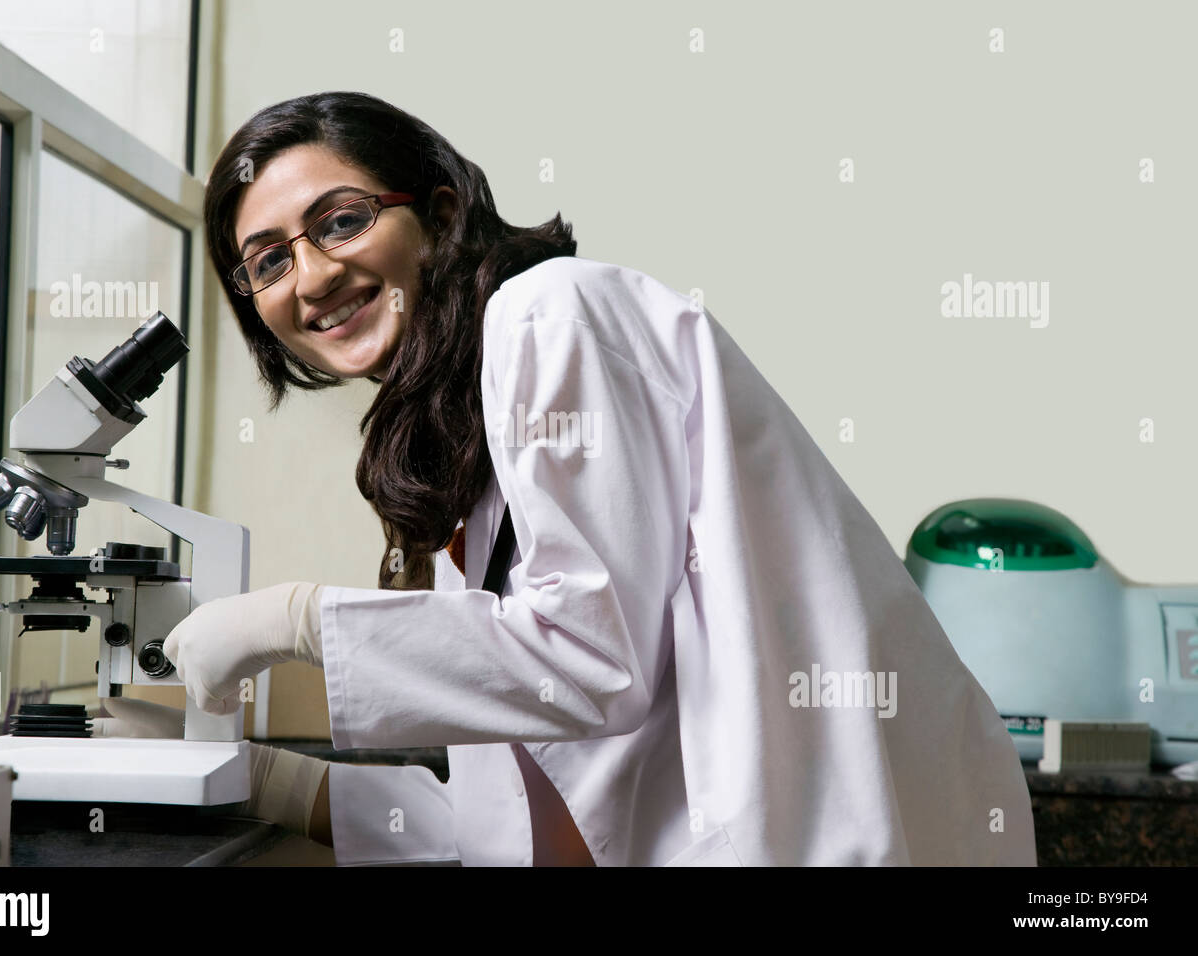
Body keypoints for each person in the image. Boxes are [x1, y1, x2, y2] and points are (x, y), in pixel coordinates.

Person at [154, 91, 1037, 866]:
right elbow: (507, 824)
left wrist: (294, 619)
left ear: (442, 213)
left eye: (341, 219)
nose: (311, 275)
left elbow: (585, 661)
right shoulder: (471, 455)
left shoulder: (549, 314)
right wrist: (264, 780)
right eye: (267, 260)